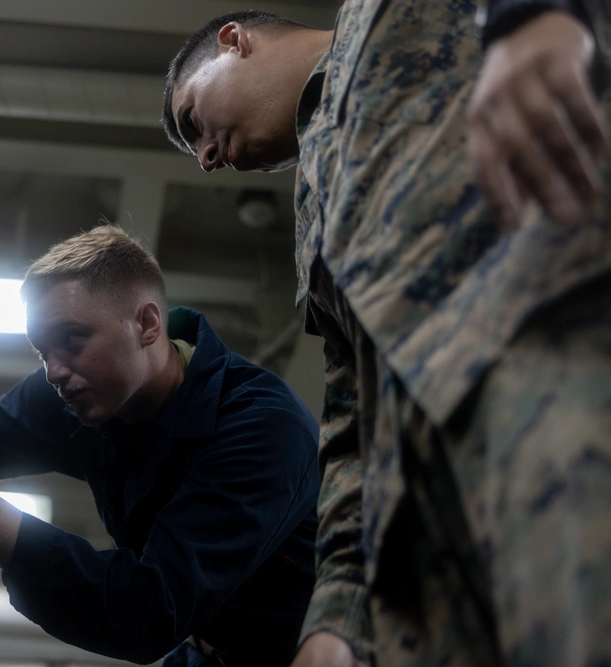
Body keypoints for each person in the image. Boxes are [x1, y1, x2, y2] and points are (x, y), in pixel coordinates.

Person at [162, 3, 611, 667]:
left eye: (194, 121)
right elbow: (351, 432)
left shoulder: (385, 11)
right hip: (434, 558)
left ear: (235, 42)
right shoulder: (316, 212)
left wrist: (542, 14)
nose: (204, 158)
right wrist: (334, 618)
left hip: (566, 419)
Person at [0, 225, 320, 666]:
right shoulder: (82, 393)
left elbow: (147, 610)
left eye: (71, 339)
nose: (52, 370)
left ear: (148, 325)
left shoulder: (260, 430)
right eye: (42, 350)